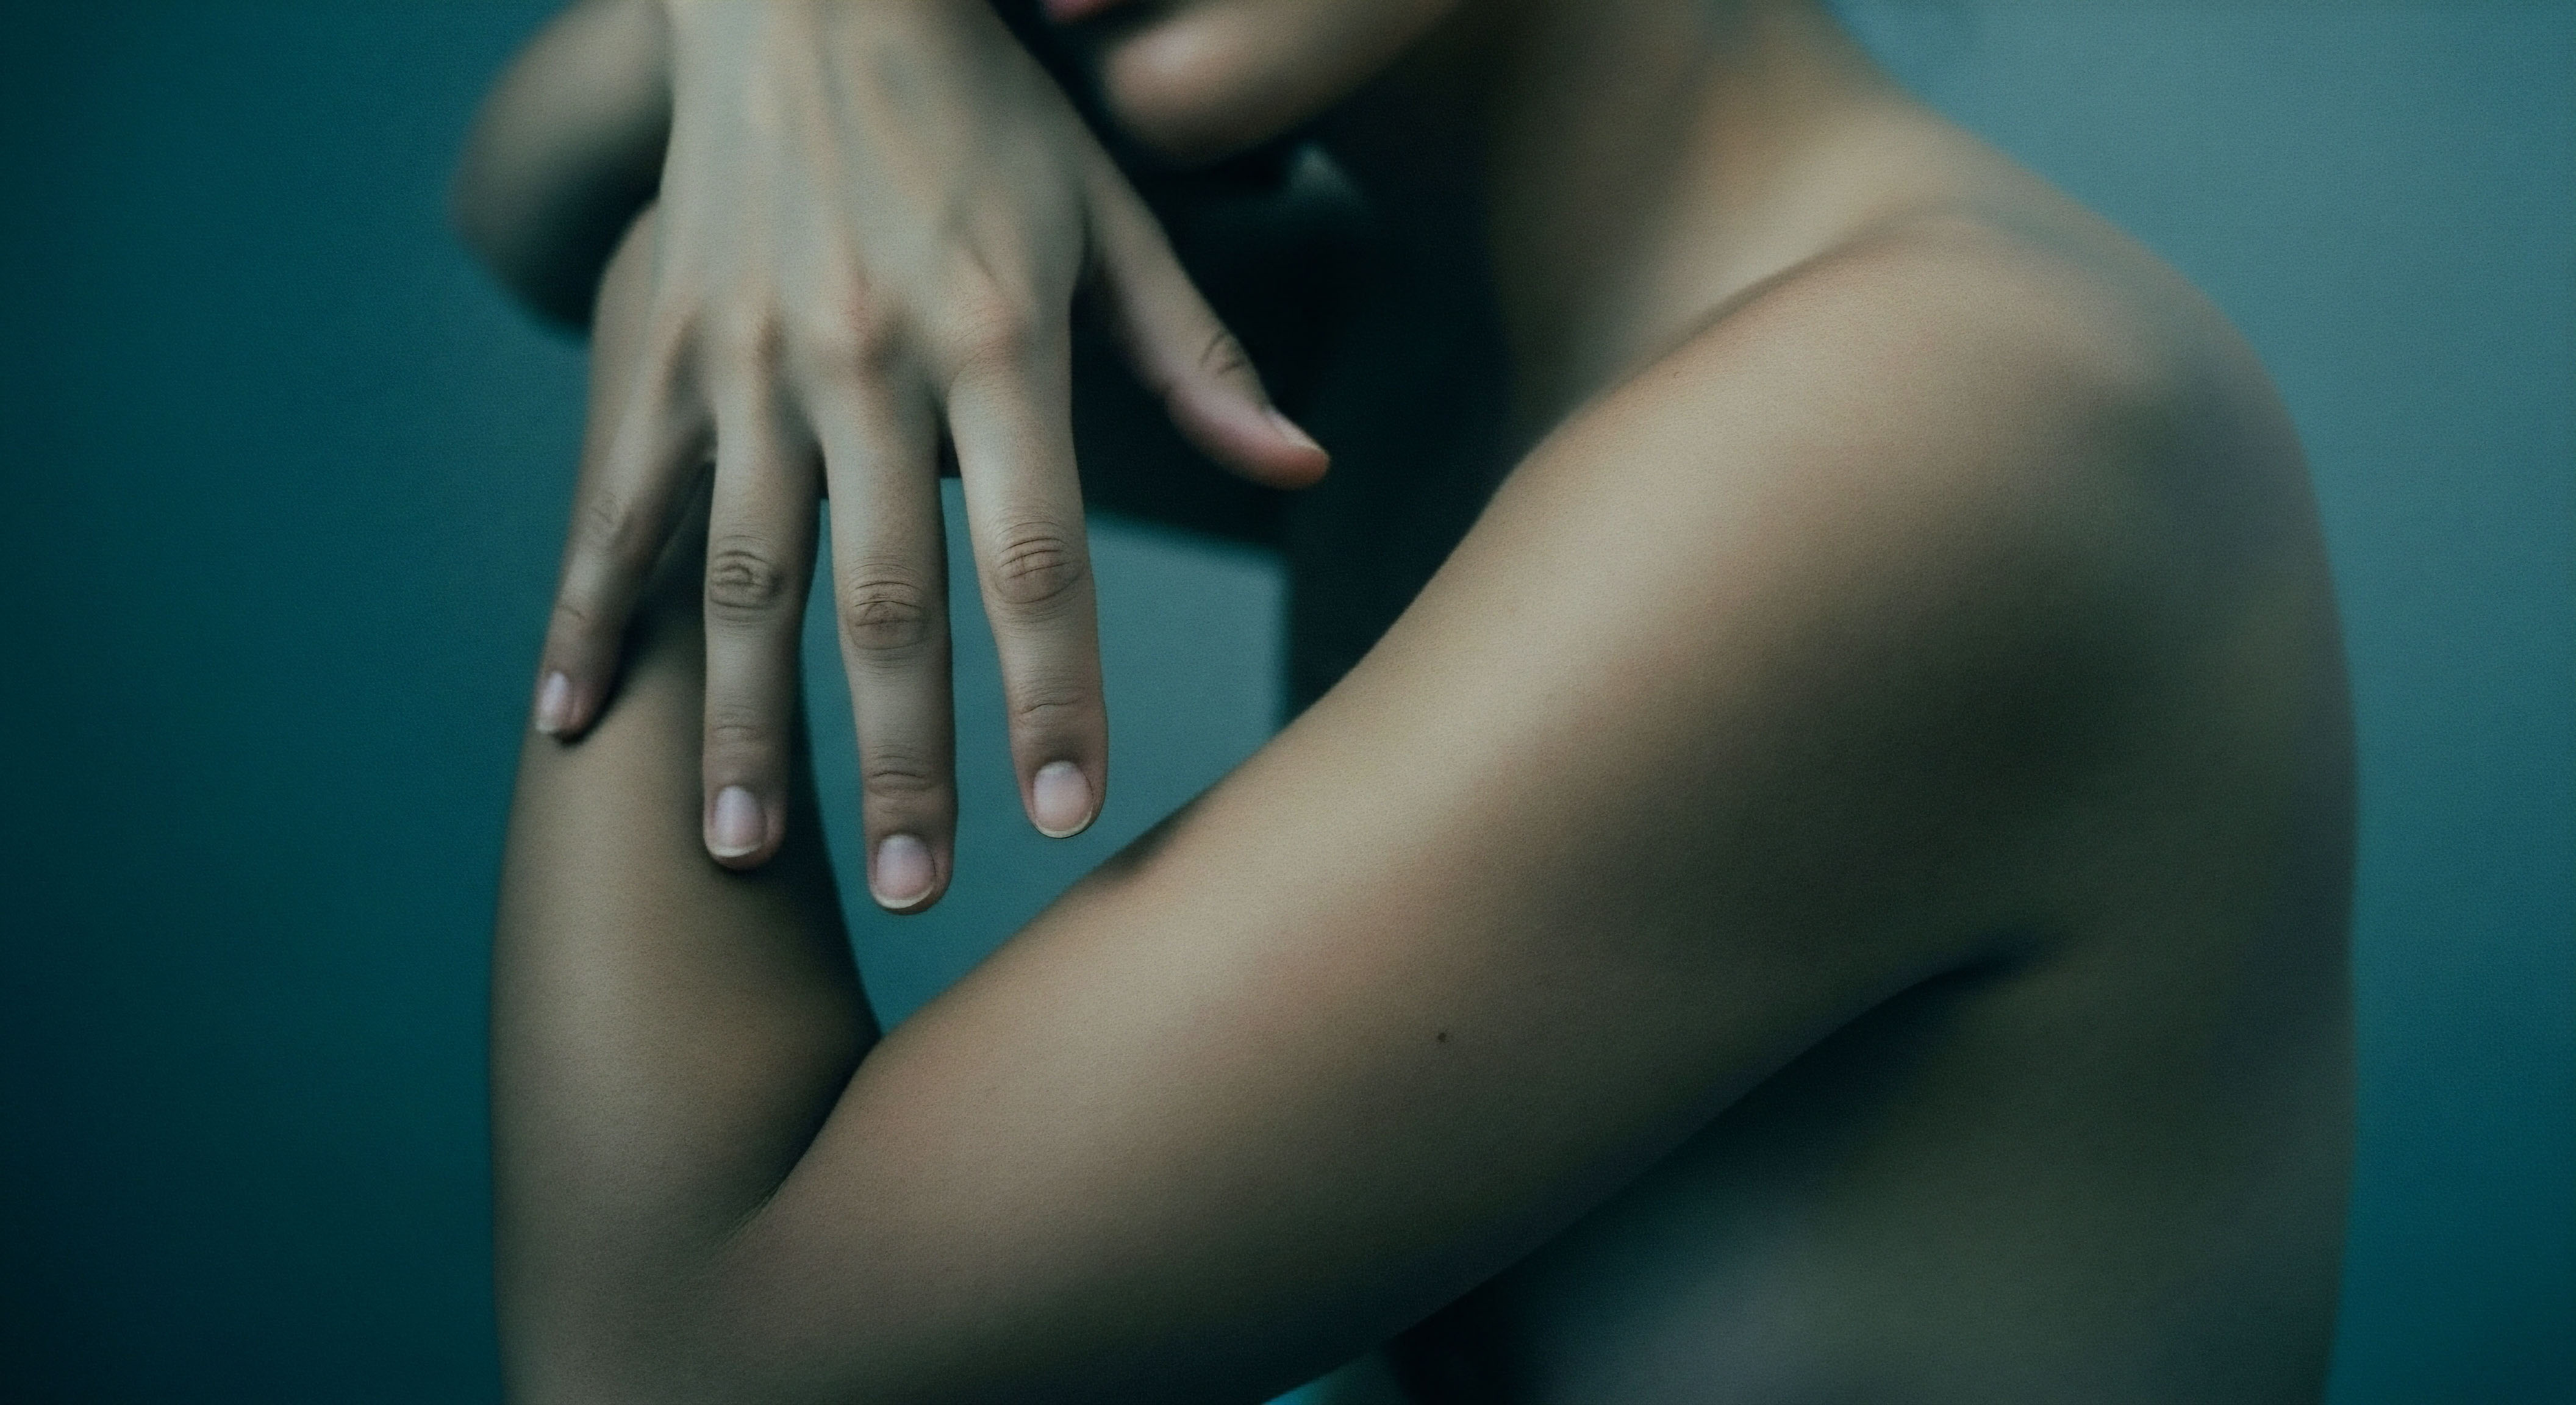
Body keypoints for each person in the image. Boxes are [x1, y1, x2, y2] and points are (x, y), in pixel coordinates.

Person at [459, 1, 2356, 1400]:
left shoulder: (1933, 422)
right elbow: (522, 195)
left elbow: (659, 1375)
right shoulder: (1443, 322)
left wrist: (692, 321)